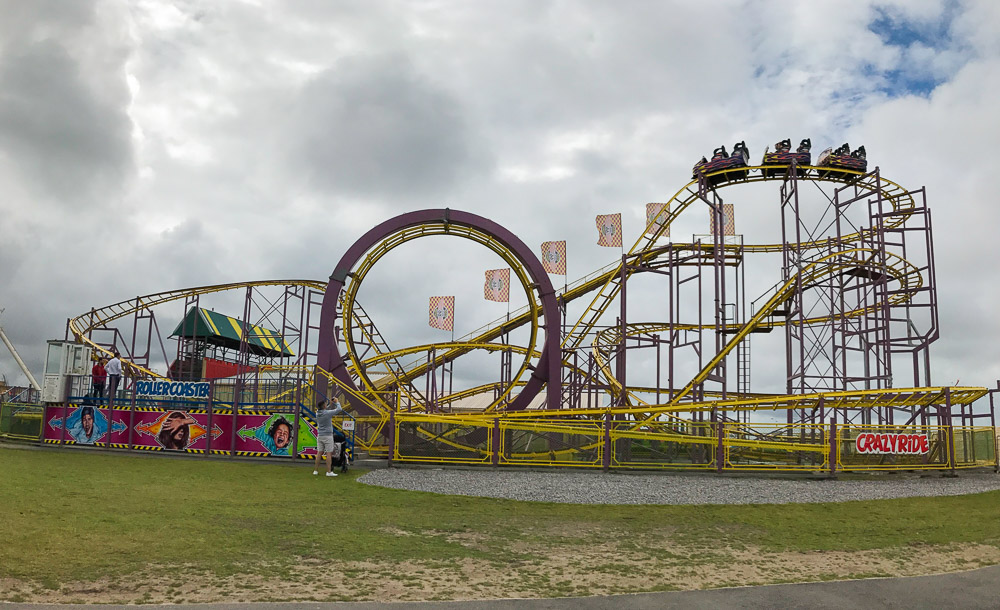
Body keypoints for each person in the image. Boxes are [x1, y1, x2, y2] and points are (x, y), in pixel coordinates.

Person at [313, 397, 348, 477]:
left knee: (319, 453)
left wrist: (329, 404)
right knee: (329, 453)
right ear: (324, 406)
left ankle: (315, 470)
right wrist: (337, 402)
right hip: (328, 436)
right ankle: (328, 472)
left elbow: (324, 410)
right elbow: (339, 409)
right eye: (325, 404)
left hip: (320, 435)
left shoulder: (318, 413)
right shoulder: (327, 413)